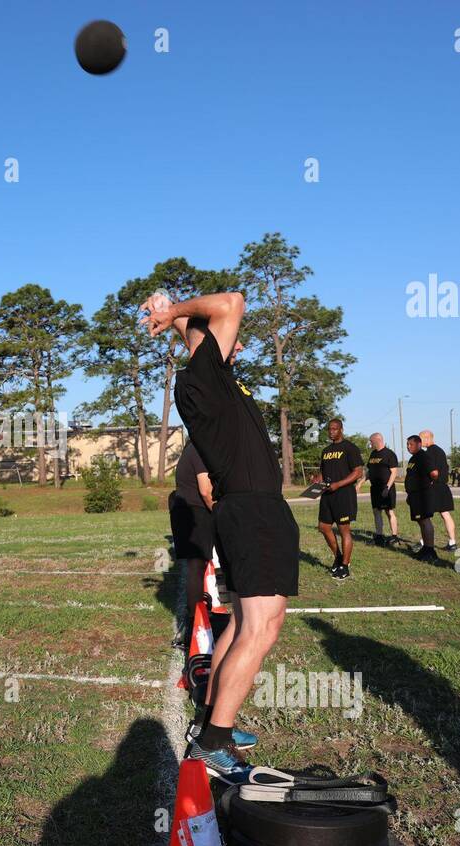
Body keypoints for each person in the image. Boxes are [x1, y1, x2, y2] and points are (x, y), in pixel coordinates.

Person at [145, 290, 300, 782]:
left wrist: (172, 318)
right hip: (251, 511)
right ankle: (213, 742)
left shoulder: (210, 376)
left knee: (247, 621)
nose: (238, 348)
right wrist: (175, 313)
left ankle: (213, 722)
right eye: (228, 344)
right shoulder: (202, 378)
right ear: (209, 346)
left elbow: (199, 332)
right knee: (261, 627)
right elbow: (232, 301)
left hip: (255, 509)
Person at [168, 440, 217, 645]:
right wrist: (221, 513)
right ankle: (194, 627)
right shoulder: (199, 448)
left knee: (198, 565)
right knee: (196, 566)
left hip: (188, 510)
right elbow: (206, 490)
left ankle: (196, 621)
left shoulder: (193, 447)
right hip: (194, 511)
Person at [314, 418, 363, 579]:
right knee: (323, 527)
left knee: (344, 530)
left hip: (344, 494)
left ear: (341, 429)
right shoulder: (326, 450)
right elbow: (323, 472)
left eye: (334, 429)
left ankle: (345, 566)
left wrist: (338, 484)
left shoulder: (350, 448)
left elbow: (358, 472)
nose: (331, 432)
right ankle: (338, 556)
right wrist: (317, 480)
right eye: (329, 429)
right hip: (327, 495)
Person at [419, 430, 459, 551]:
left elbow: (432, 471)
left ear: (427, 438)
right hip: (443, 487)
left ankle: (424, 542)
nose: (420, 443)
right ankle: (452, 542)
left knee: (425, 516)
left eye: (420, 440)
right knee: (445, 514)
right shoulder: (440, 451)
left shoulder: (429, 452)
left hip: (434, 487)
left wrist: (428, 482)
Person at [403, 434, 439, 562]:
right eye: (407, 444)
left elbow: (434, 473)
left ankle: (430, 550)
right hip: (414, 495)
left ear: (419, 444)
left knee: (425, 521)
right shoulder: (413, 458)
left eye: (410, 444)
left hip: (423, 494)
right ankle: (425, 548)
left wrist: (428, 483)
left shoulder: (423, 456)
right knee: (420, 521)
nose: (408, 447)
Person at [366, 432, 400, 546]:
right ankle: (379, 536)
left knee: (389, 511)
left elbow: (394, 472)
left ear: (376, 440)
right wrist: (360, 482)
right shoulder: (372, 454)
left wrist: (387, 487)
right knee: (376, 511)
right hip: (374, 488)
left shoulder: (389, 454)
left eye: (371, 441)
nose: (370, 444)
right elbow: (369, 471)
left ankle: (394, 536)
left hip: (386, 487)